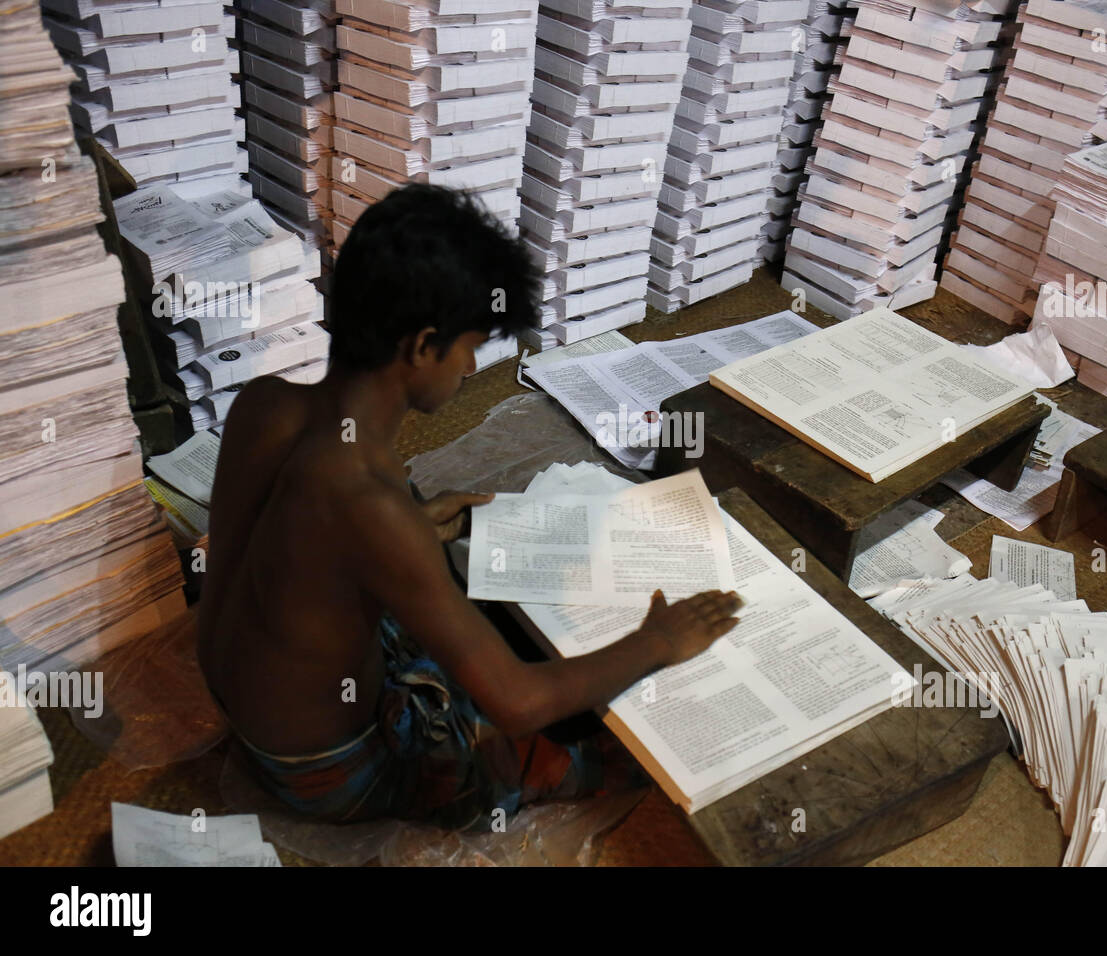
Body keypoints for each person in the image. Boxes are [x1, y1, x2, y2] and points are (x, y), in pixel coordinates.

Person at [197, 184, 742, 828]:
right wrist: (657, 640)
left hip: (242, 700)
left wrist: (393, 542)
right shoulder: (368, 504)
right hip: (330, 772)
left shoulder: (264, 405)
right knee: (599, 753)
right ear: (424, 346)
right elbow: (516, 703)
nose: (470, 366)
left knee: (449, 609)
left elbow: (280, 554)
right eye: (472, 346)